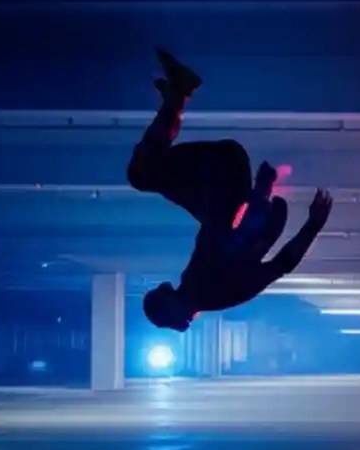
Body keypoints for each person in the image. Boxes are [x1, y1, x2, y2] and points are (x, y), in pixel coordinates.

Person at [126, 49, 334, 332]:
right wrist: (305, 221)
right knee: (144, 173)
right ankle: (177, 96)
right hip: (225, 176)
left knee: (145, 174)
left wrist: (280, 207)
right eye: (165, 294)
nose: (167, 287)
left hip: (221, 196)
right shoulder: (211, 291)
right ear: (174, 309)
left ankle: (176, 97)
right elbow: (269, 259)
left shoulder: (198, 287)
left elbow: (255, 253)